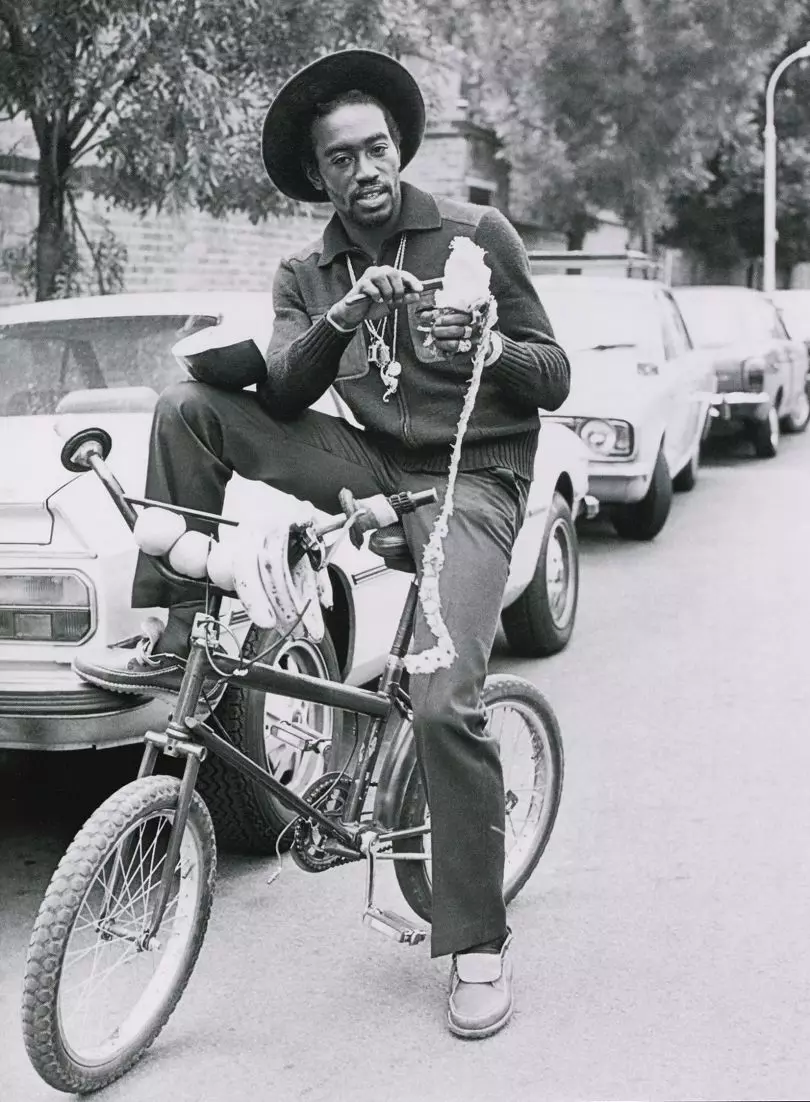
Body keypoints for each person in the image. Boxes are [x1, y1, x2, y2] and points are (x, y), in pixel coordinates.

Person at [75, 49, 570, 1039]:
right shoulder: (307, 270)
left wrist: (491, 351)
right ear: (320, 174)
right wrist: (341, 318)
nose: (364, 171)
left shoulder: (477, 231)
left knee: (442, 695)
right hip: (372, 463)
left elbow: (552, 374)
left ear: (399, 147)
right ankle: (181, 628)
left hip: (472, 476)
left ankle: (475, 938)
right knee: (188, 408)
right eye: (340, 160)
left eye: (376, 148)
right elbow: (289, 395)